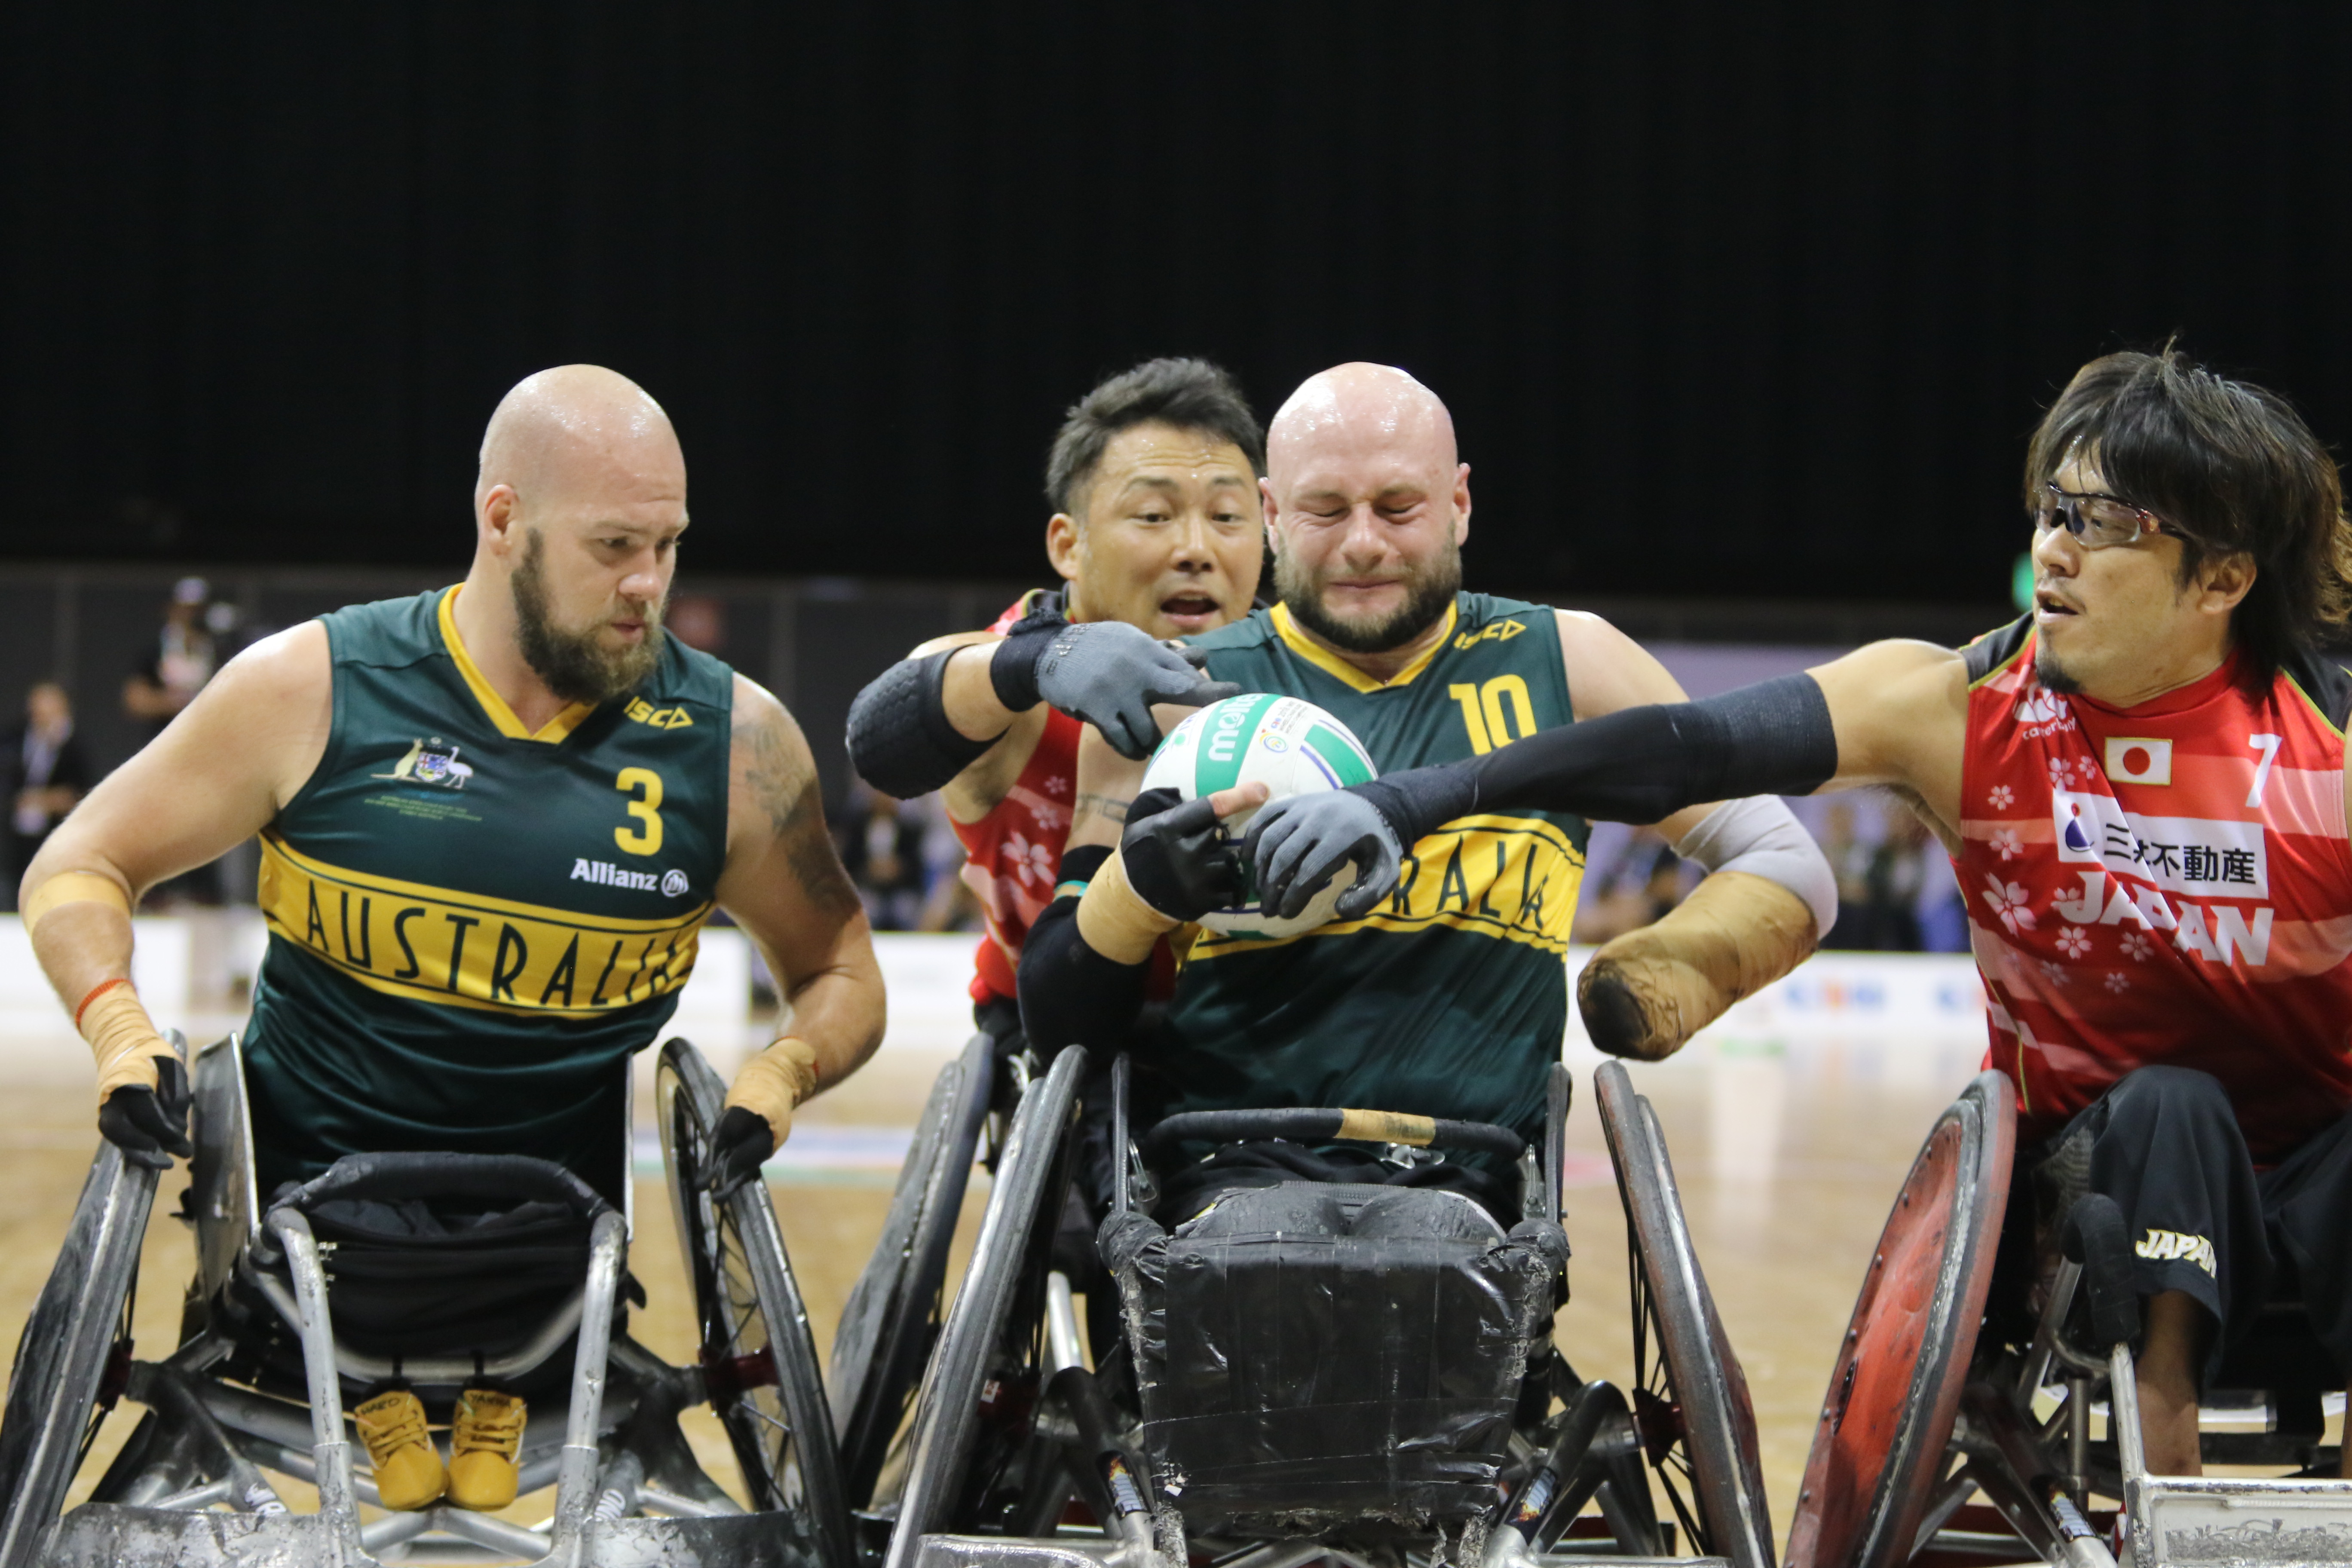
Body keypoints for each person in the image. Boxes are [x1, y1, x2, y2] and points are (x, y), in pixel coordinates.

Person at [1250, 347, 2352, 1476]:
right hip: (2091, 1190)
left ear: (2222, 578)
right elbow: (1684, 750)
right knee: (2173, 1109)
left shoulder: (2332, 749)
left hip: (2319, 1179)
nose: (2053, 549)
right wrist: (1410, 799)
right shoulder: (1956, 709)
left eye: (2108, 522)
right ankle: (2162, 1503)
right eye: (2052, 507)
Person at [20, 364, 885, 1513]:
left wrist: (784, 1071)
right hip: (293, 1258)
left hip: (554, 1268)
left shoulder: (734, 744)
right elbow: (77, 862)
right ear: (501, 520)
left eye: (669, 545)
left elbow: (841, 970)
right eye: (615, 545)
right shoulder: (317, 687)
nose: (649, 585)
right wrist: (121, 1031)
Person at [1018, 362, 1836, 1219]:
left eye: (1398, 508)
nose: (1363, 543)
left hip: (1480, 1194)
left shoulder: (1572, 661)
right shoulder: (1177, 694)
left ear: (1460, 503)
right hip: (1228, 1183)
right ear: (1270, 515)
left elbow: (1789, 865)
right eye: (1325, 511)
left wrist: (1661, 976)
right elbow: (1060, 1026)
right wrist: (1135, 895)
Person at [845, 356, 1264, 1038]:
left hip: (1251, 1039)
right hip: (1051, 1035)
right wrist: (1037, 661)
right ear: (1069, 546)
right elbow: (878, 743)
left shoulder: (1293, 674)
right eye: (1154, 515)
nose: (1196, 548)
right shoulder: (1018, 681)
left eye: (1226, 516)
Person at [4, 682, 92, 904]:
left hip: (53, 835)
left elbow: (79, 793)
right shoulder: (15, 740)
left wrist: (44, 800)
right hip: (16, 836)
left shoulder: (73, 748)